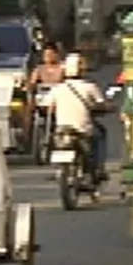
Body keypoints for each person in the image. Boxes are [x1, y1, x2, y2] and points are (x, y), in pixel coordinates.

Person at [48, 53, 109, 181]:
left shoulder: (58, 89)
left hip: (62, 129)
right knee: (100, 134)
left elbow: (45, 104)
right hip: (83, 130)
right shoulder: (89, 87)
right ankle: (99, 168)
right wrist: (106, 108)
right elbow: (101, 104)